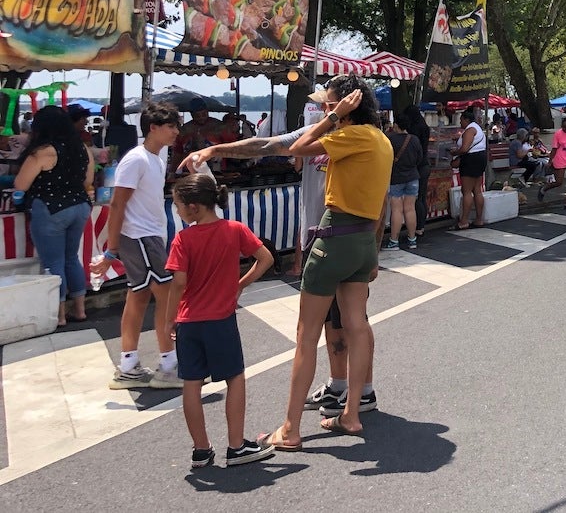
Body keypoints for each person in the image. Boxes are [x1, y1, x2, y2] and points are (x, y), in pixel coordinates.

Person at [183, 111, 375, 423]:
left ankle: (359, 393)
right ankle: (340, 386)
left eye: (327, 104)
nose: (322, 110)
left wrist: (373, 247)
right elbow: (268, 144)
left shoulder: (357, 138)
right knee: (334, 322)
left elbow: (375, 192)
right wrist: (217, 150)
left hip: (342, 238)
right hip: (321, 235)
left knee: (349, 323)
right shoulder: (318, 131)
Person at [258, 76, 391, 448]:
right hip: (364, 240)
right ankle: (351, 413)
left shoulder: (351, 134)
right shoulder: (381, 139)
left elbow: (298, 147)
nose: (326, 110)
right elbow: (380, 202)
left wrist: (335, 119)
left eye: (331, 104)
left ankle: (290, 429)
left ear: (348, 104)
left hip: (335, 237)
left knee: (306, 335)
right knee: (357, 325)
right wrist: (376, 252)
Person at [164, 172, 276, 468]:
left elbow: (178, 282)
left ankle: (201, 450)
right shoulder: (234, 229)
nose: (176, 211)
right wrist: (240, 284)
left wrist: (169, 320)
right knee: (234, 378)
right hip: (221, 319)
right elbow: (265, 258)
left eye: (177, 205)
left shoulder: (183, 239)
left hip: (189, 320)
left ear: (192, 207)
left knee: (191, 383)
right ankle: (236, 446)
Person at [91, 101, 185, 389]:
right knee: (165, 297)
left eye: (176, 126)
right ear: (153, 128)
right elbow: (117, 204)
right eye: (170, 126)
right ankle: (168, 364)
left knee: (139, 297)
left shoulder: (157, 157)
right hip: (141, 237)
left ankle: (129, 364)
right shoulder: (137, 159)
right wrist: (111, 250)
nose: (176, 132)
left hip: (148, 236)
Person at [15, 106, 94, 327]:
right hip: (80, 207)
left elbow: (21, 184)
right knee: (71, 258)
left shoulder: (43, 151)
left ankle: (58, 315)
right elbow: (88, 181)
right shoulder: (82, 148)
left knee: (53, 263)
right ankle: (80, 310)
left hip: (50, 209)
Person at [383, 118, 424, 250]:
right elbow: (420, 158)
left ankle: (394, 241)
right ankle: (412, 240)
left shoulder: (390, 139)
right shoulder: (415, 139)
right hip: (413, 177)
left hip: (396, 178)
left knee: (397, 210)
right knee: (410, 209)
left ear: (396, 125)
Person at [450, 109, 487, 230]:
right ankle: (479, 219)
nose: (460, 122)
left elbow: (465, 149)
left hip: (470, 160)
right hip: (480, 158)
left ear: (466, 119)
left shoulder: (470, 130)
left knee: (466, 191)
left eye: (461, 119)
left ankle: (464, 221)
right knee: (477, 190)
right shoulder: (477, 128)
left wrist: (455, 152)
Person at [401, 105, 431, 237]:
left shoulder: (413, 130)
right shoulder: (424, 126)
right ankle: (421, 226)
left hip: (416, 166)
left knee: (415, 199)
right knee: (422, 197)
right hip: (425, 163)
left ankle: (416, 228)